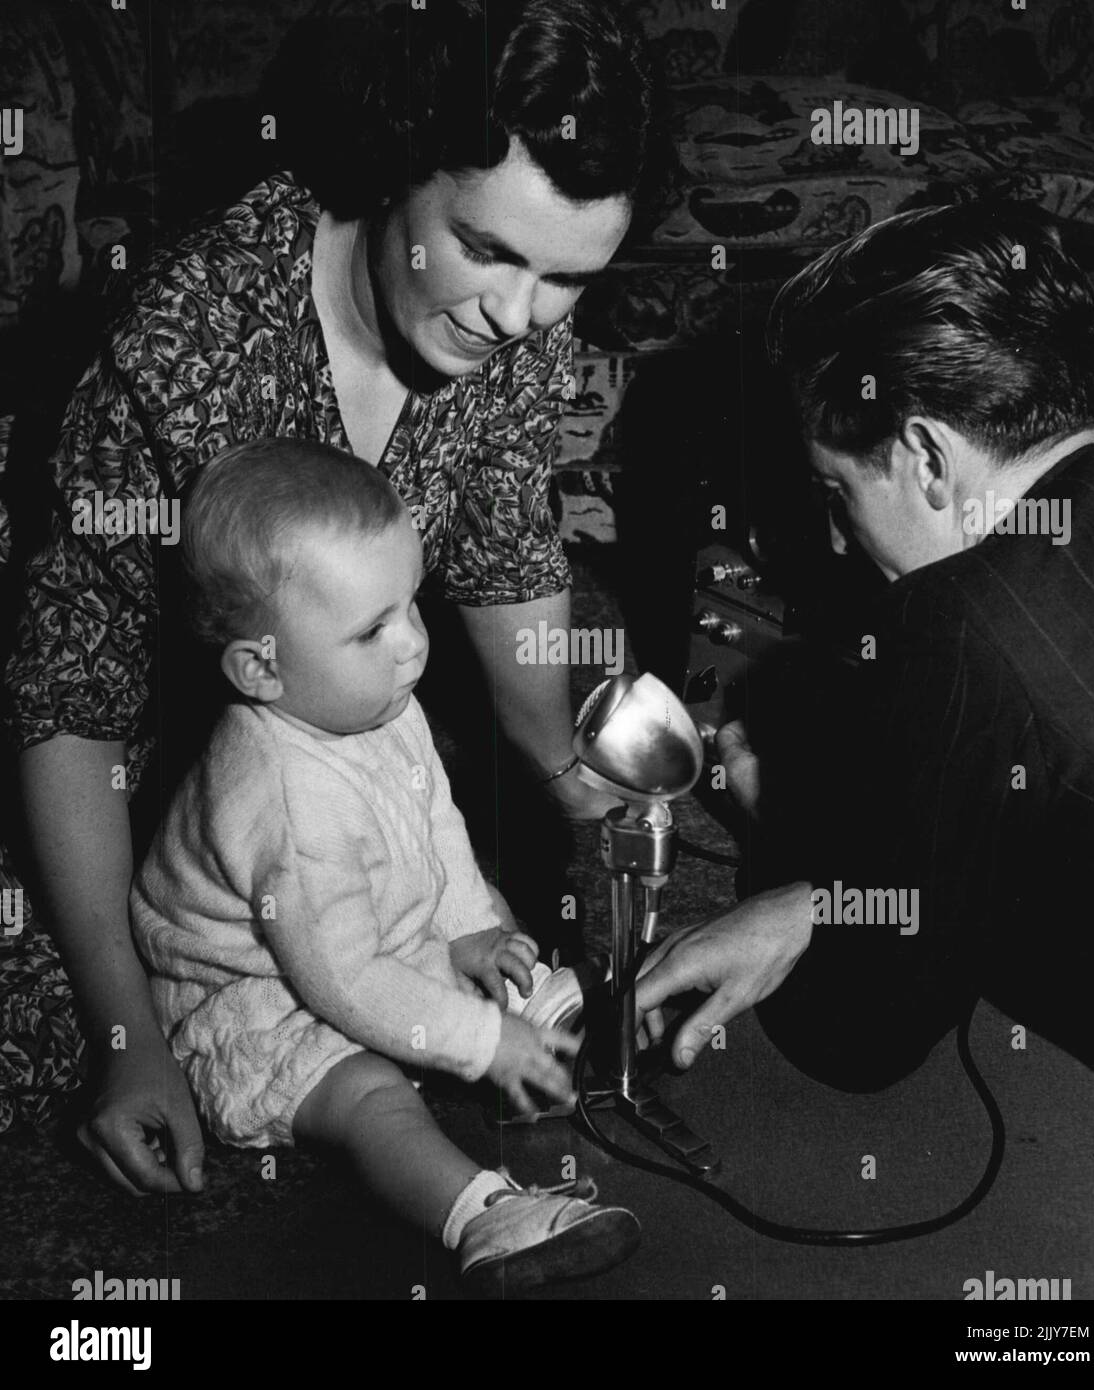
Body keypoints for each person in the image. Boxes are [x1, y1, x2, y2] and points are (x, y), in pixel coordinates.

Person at [0, 0, 661, 1185]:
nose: (517, 318)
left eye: (567, 277)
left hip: (328, 725)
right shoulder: (186, 343)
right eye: (489, 250)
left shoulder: (511, 338)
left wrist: (584, 797)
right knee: (66, 1034)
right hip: (144, 770)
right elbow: (73, 702)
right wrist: (128, 1035)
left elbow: (507, 561)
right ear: (401, 163)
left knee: (451, 915)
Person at [637, 202, 1094, 1124]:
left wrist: (769, 818)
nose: (835, 538)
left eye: (838, 490)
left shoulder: (960, 629)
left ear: (926, 456)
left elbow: (865, 1037)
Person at [129, 439, 639, 1295]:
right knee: (371, 1093)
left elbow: (437, 828)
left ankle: (532, 1039)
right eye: (372, 628)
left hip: (360, 930)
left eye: (411, 603)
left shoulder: (370, 697)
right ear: (261, 667)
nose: (410, 646)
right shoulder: (284, 795)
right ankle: (483, 1213)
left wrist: (476, 931)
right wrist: (478, 1039)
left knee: (493, 931)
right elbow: (342, 980)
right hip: (261, 997)